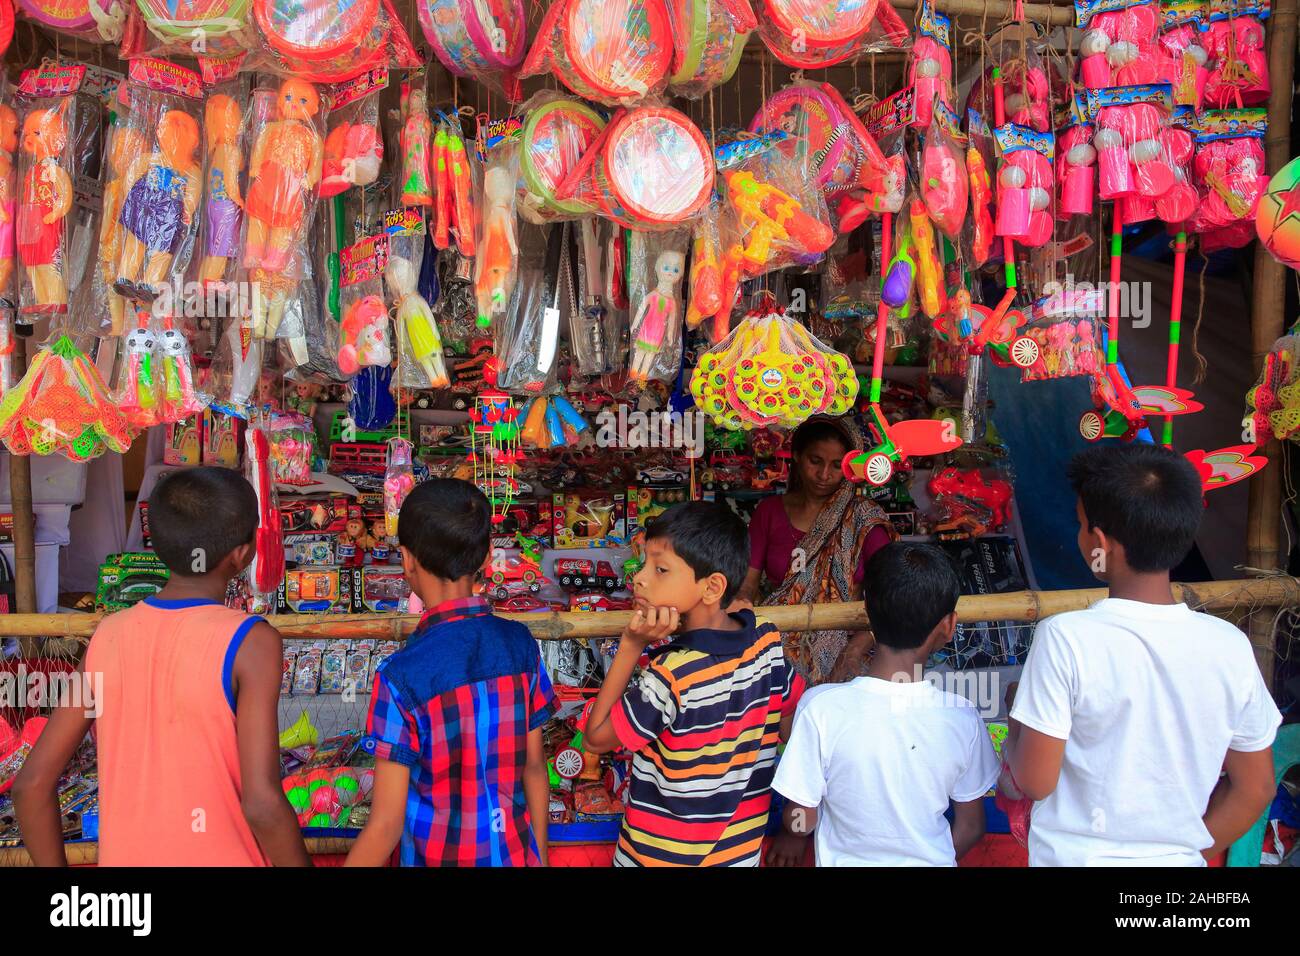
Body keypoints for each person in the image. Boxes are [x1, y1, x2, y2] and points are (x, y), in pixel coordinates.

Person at [13, 468, 309, 866]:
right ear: (244, 553)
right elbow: (262, 804)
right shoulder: (252, 642)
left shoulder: (107, 637)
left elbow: (31, 785)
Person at [1004, 444, 1282, 866]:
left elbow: (1035, 781)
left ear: (1100, 542)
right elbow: (1256, 787)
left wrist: (1017, 722)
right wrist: (1182, 850)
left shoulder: (1066, 637)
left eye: (1081, 526)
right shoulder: (1230, 645)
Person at [346, 478, 554, 867]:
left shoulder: (398, 677)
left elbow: (385, 826)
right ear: (489, 556)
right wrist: (537, 858)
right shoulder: (521, 645)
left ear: (407, 560)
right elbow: (534, 770)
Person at [583, 501, 804, 866]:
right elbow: (789, 717)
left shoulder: (671, 675)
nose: (639, 578)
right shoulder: (766, 640)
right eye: (644, 565)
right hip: (737, 856)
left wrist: (630, 646)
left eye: (660, 569)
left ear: (712, 586)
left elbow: (595, 738)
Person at [771, 542, 999, 866]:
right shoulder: (962, 718)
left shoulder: (821, 709)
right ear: (948, 626)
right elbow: (972, 826)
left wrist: (792, 836)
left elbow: (801, 817)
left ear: (867, 614)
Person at [738, 416, 893, 684]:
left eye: (837, 466)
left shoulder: (864, 519)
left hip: (849, 660)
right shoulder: (769, 512)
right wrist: (741, 613)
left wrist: (853, 651)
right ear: (796, 456)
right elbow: (747, 585)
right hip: (776, 653)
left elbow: (894, 596)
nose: (824, 475)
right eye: (815, 461)